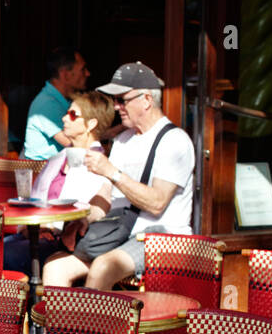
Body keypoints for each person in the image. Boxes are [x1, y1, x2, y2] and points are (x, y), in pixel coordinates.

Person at [41, 62, 195, 292]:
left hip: (162, 238)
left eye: (122, 99)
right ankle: (61, 329)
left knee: (103, 267)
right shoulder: (123, 140)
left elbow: (156, 203)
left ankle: (94, 329)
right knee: (55, 266)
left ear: (147, 100)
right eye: (115, 100)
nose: (116, 106)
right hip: (122, 234)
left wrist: (113, 173)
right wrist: (84, 219)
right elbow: (106, 195)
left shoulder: (175, 141)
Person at [3, 90, 118, 277]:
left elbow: (93, 207)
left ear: (91, 124)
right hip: (35, 234)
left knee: (2, 256)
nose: (64, 118)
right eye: (66, 112)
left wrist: (51, 227)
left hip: (62, 241)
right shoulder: (58, 158)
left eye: (72, 114)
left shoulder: (99, 163)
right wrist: (31, 228)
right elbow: (34, 200)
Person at [22, 47, 91, 160]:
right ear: (66, 75)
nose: (87, 73)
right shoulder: (47, 104)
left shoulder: (64, 100)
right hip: (42, 172)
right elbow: (72, 143)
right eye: (83, 69)